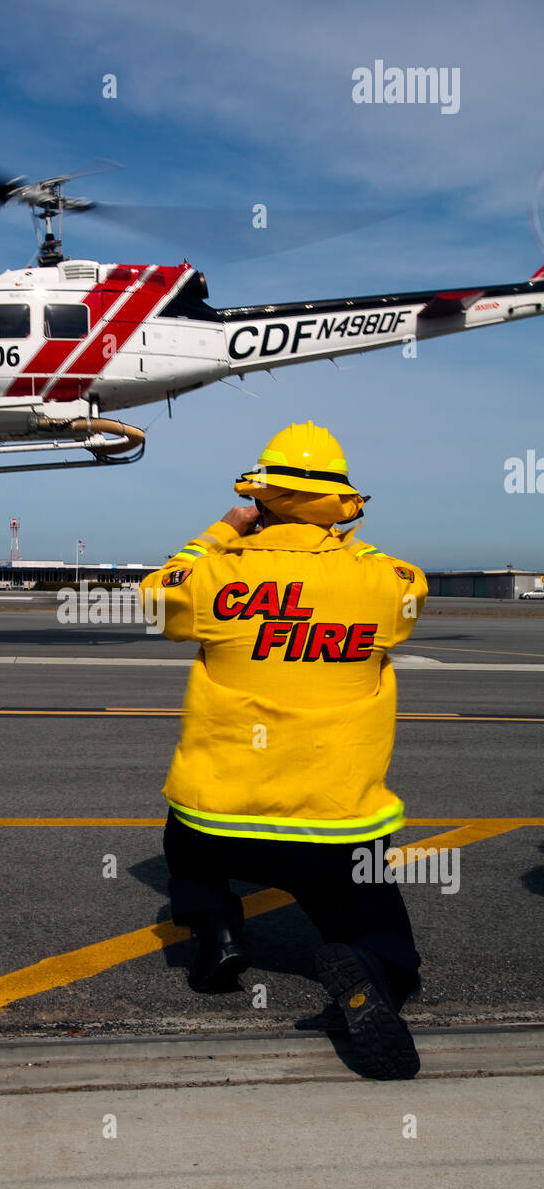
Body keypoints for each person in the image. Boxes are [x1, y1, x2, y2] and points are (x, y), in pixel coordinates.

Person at [139, 421, 428, 1080]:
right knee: (374, 923)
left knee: (184, 847)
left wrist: (222, 532)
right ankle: (377, 971)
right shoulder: (384, 582)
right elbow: (408, 588)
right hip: (337, 822)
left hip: (224, 819)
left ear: (258, 500)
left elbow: (155, 596)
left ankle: (217, 939)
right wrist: (337, 537)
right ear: (342, 505)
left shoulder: (217, 574)